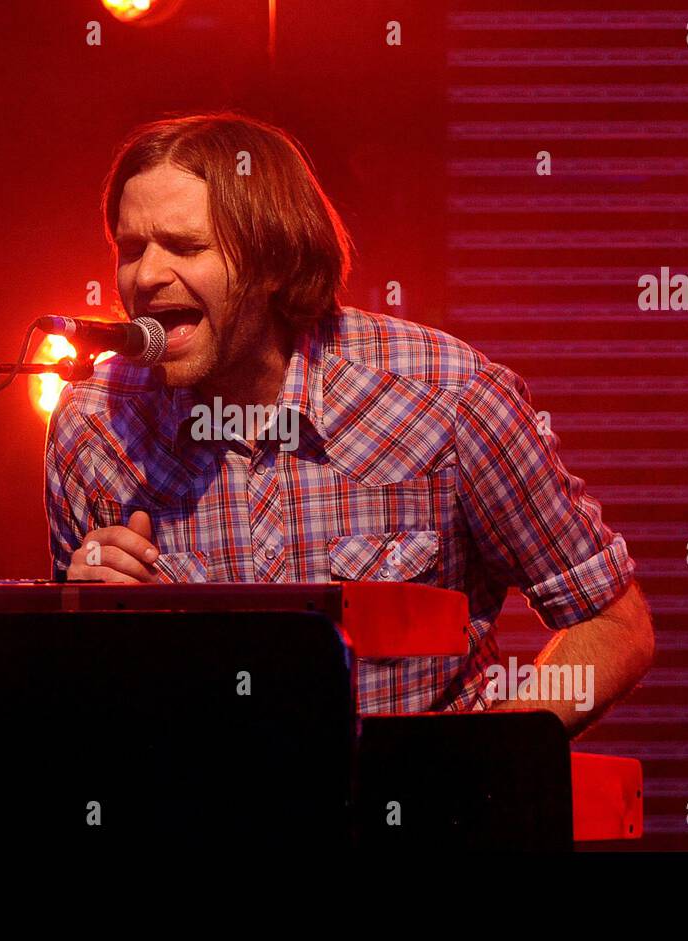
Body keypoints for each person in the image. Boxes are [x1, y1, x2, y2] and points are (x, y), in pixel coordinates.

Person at [44, 112, 653, 735]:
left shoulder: (446, 396)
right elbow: (82, 707)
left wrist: (486, 762)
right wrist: (83, 618)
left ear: (274, 256)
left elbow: (613, 626)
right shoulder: (93, 423)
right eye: (131, 250)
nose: (145, 277)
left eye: (186, 246)